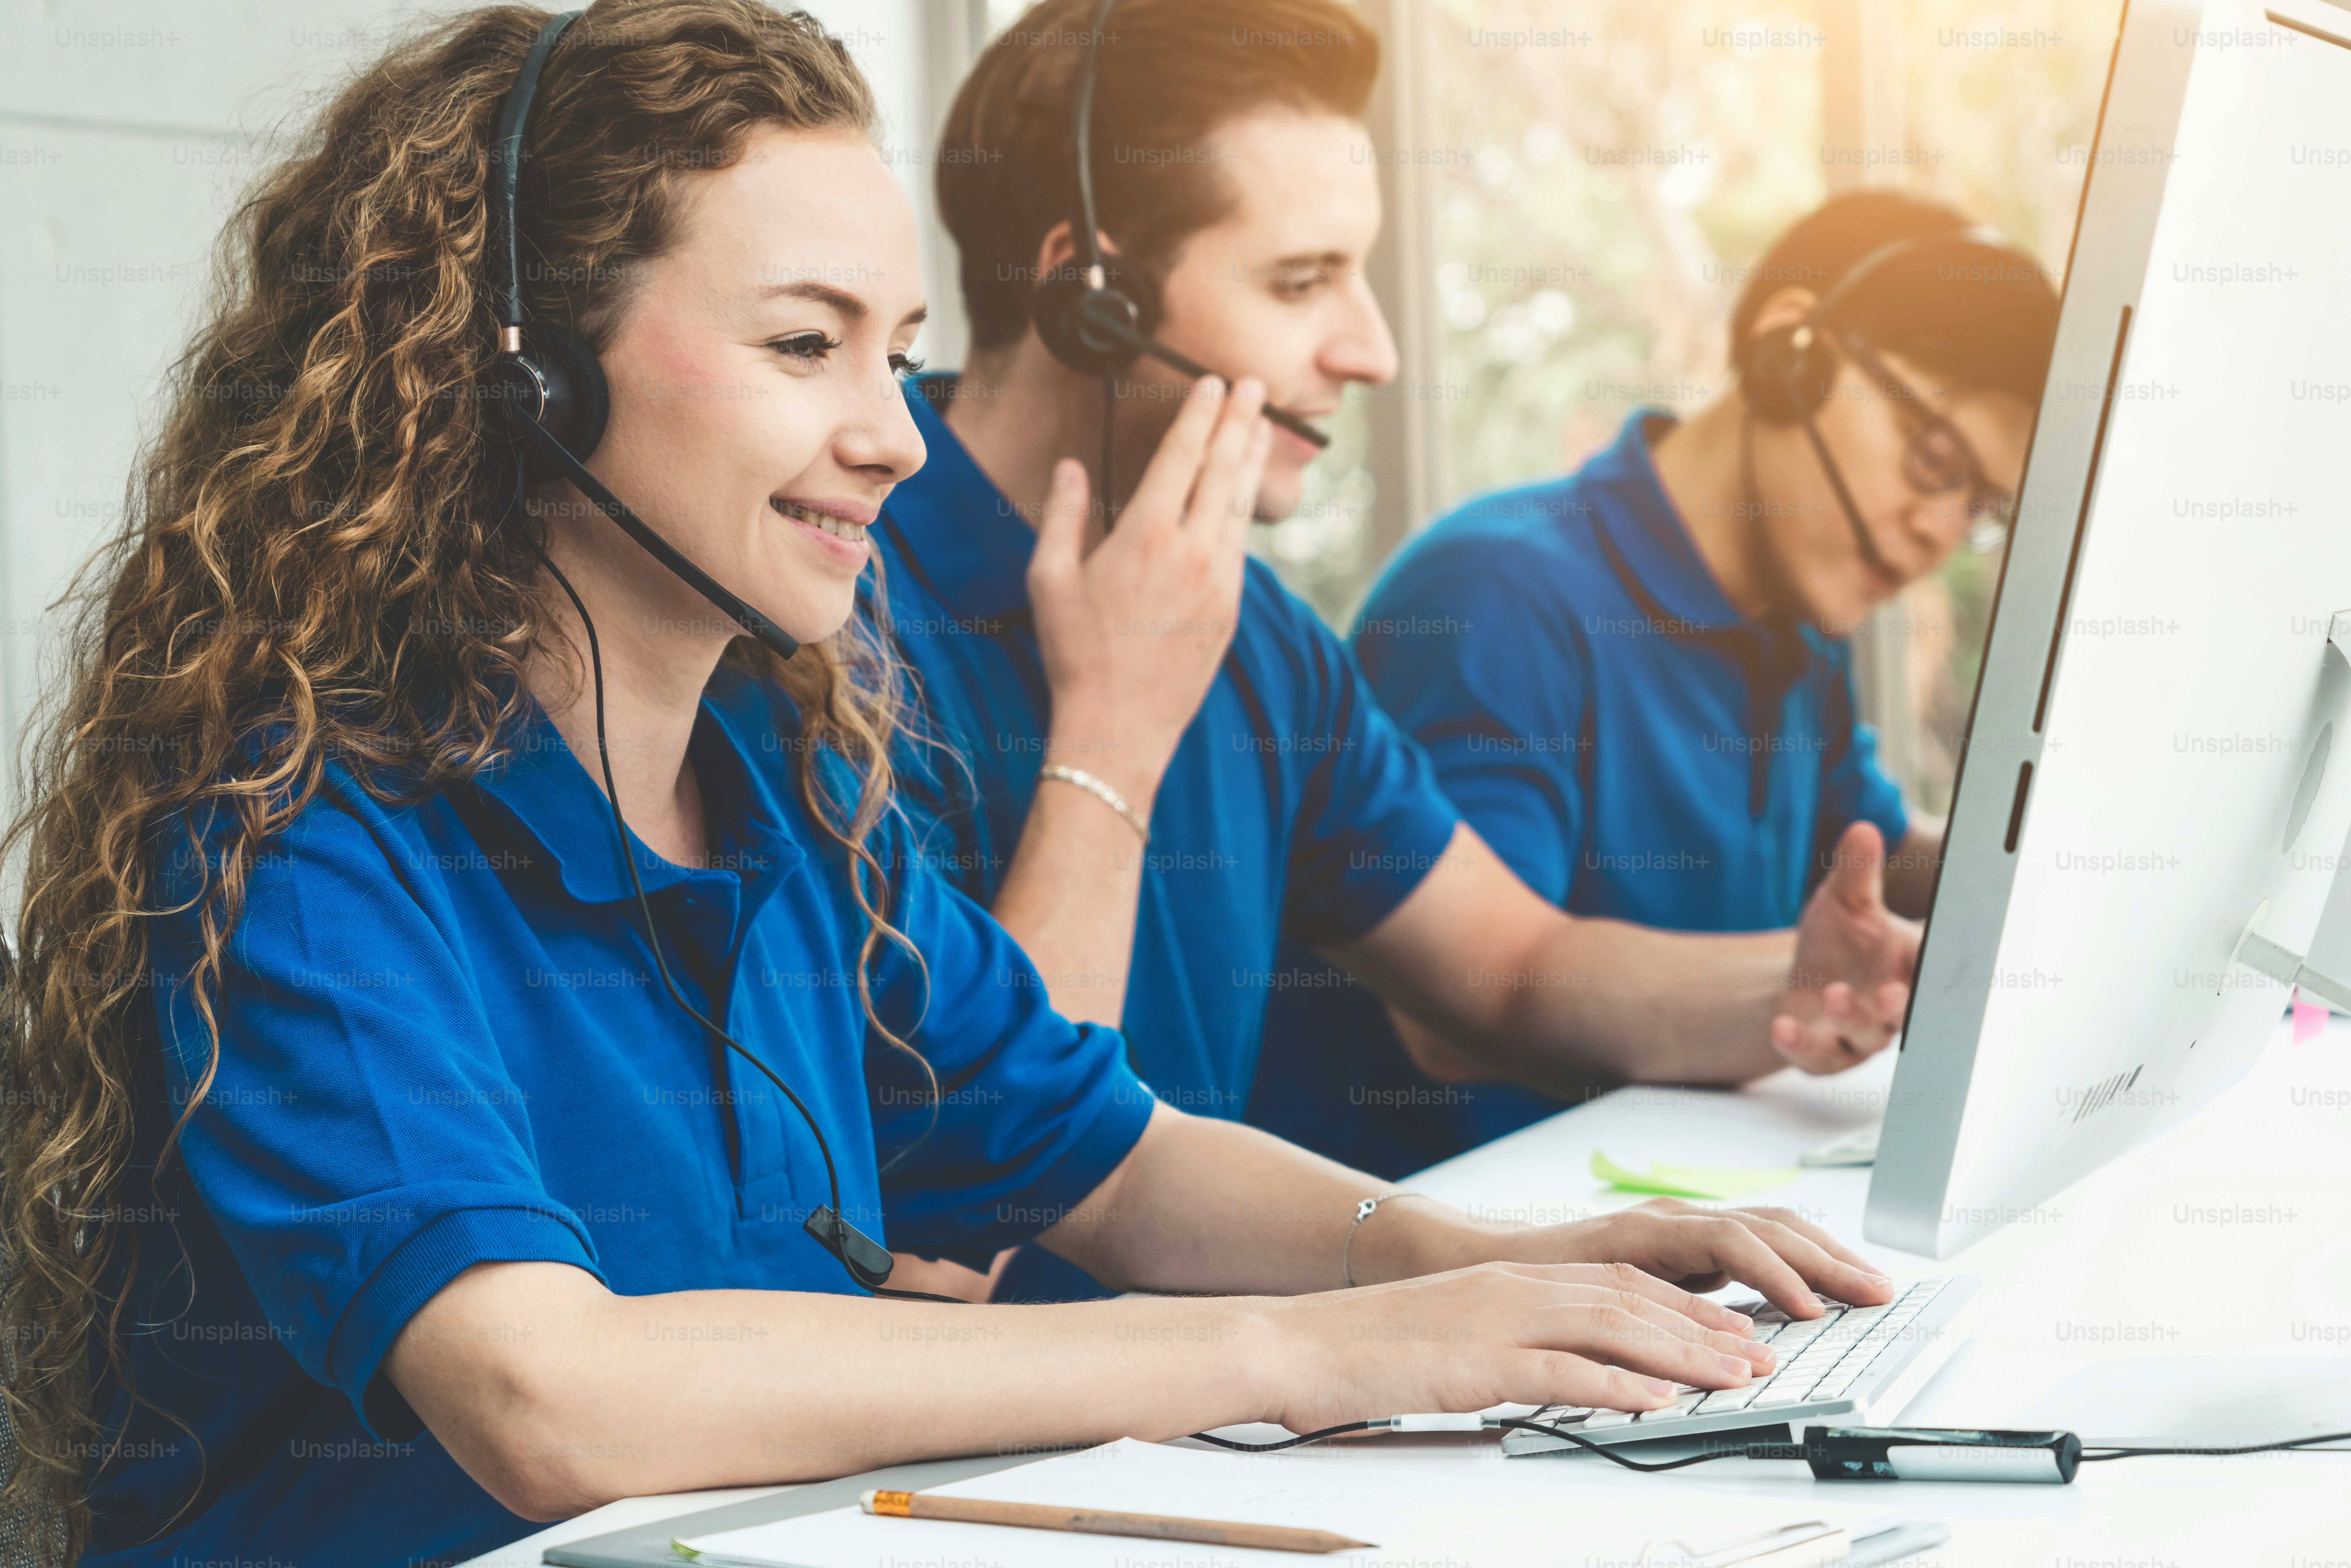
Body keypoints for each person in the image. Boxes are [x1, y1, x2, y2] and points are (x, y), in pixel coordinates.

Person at [0, 7, 1892, 1566]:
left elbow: (1119, 1155)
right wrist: (1301, 1348)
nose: (893, 435)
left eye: (896, 355)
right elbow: (547, 1394)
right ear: (524, 377)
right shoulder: (295, 828)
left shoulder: (788, 790)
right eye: (802, 345)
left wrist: (1496, 1270)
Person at [878, 0, 1919, 1302]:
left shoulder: (1253, 629)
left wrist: (1797, 984)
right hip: (1002, 1422)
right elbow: (943, 1263)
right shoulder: (836, 625)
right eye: (1298, 282)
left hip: (1232, 1390)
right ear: (1088, 293)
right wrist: (1113, 734)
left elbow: (1513, 969)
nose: (1368, 351)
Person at [1255, 191, 2061, 1172]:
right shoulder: (1499, 596)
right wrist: (1796, 978)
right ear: (1790, 351)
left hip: (1689, 1190)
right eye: (1934, 459)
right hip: (1470, 1218)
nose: (1940, 531)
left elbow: (1873, 857)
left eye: (1980, 509)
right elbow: (1457, 1010)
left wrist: (2071, 856)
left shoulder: (1797, 626)